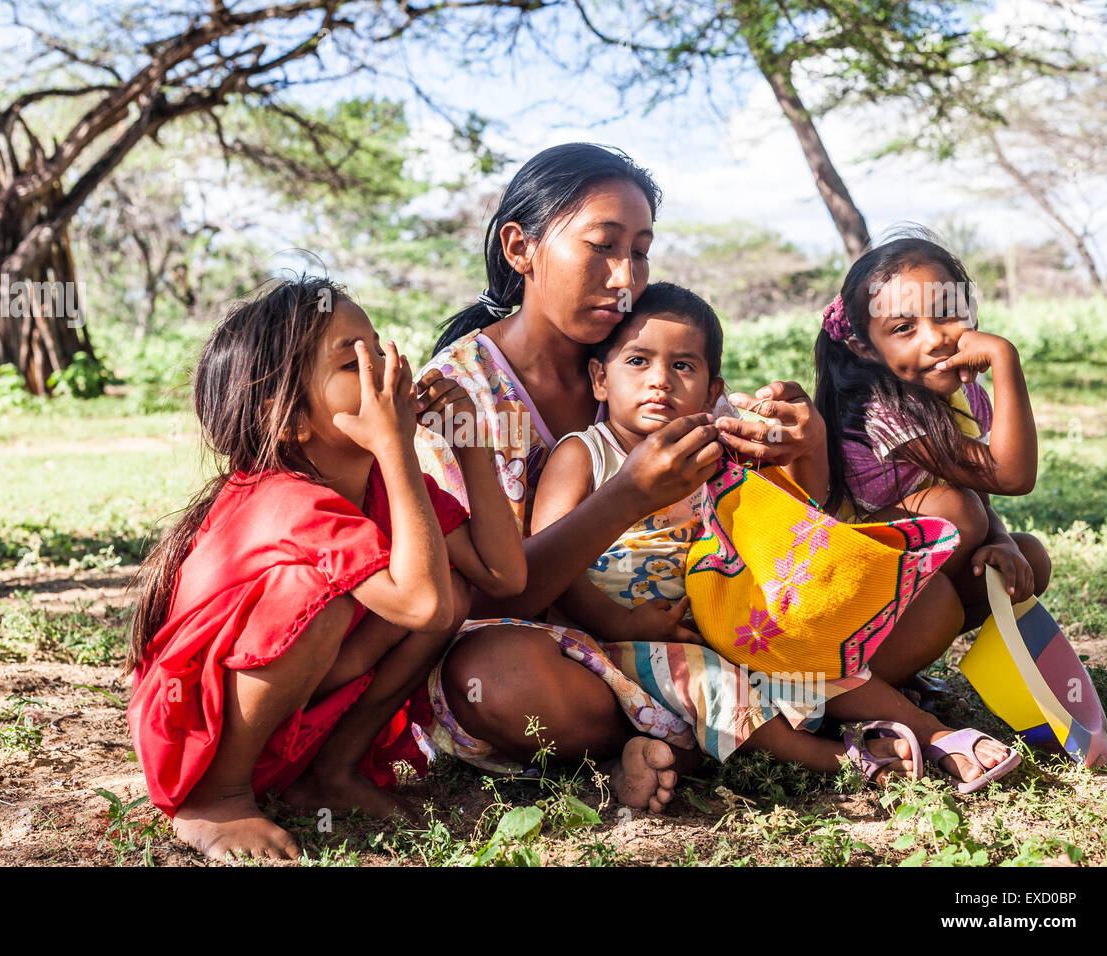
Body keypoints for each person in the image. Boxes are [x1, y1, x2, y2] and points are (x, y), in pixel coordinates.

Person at [412, 144, 1011, 811]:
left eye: (640, 251)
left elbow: (783, 512)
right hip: (560, 654)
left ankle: (689, 737)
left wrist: (799, 443)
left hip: (706, 627)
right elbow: (469, 600)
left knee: (927, 600)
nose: (624, 277)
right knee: (495, 682)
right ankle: (756, 726)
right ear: (521, 248)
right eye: (603, 247)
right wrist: (628, 498)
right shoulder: (457, 395)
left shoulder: (651, 344)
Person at [530, 281, 1018, 791]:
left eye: (683, 366)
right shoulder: (584, 454)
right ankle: (843, 759)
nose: (660, 381)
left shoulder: (717, 454)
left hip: (721, 625)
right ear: (599, 378)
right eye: (637, 361)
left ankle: (936, 735)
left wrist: (803, 450)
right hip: (621, 639)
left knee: (805, 654)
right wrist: (623, 622)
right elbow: (556, 568)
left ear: (713, 392)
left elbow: (794, 520)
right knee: (711, 681)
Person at [124, 276, 525, 861]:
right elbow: (423, 607)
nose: (385, 369)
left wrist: (470, 444)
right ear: (289, 422)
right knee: (323, 593)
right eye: (351, 363)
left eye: (378, 347)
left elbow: (500, 576)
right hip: (197, 738)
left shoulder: (385, 491)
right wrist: (395, 449)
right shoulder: (286, 500)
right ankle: (217, 800)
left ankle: (330, 776)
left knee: (453, 585)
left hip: (297, 727)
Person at [813, 232, 1052, 632]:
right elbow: (1012, 475)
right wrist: (1004, 356)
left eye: (946, 314)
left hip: (905, 575)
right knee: (956, 511)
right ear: (866, 348)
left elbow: (981, 490)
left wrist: (1002, 540)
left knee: (1027, 559)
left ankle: (909, 653)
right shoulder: (882, 410)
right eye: (905, 327)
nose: (936, 339)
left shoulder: (964, 393)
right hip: (843, 584)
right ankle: (876, 666)